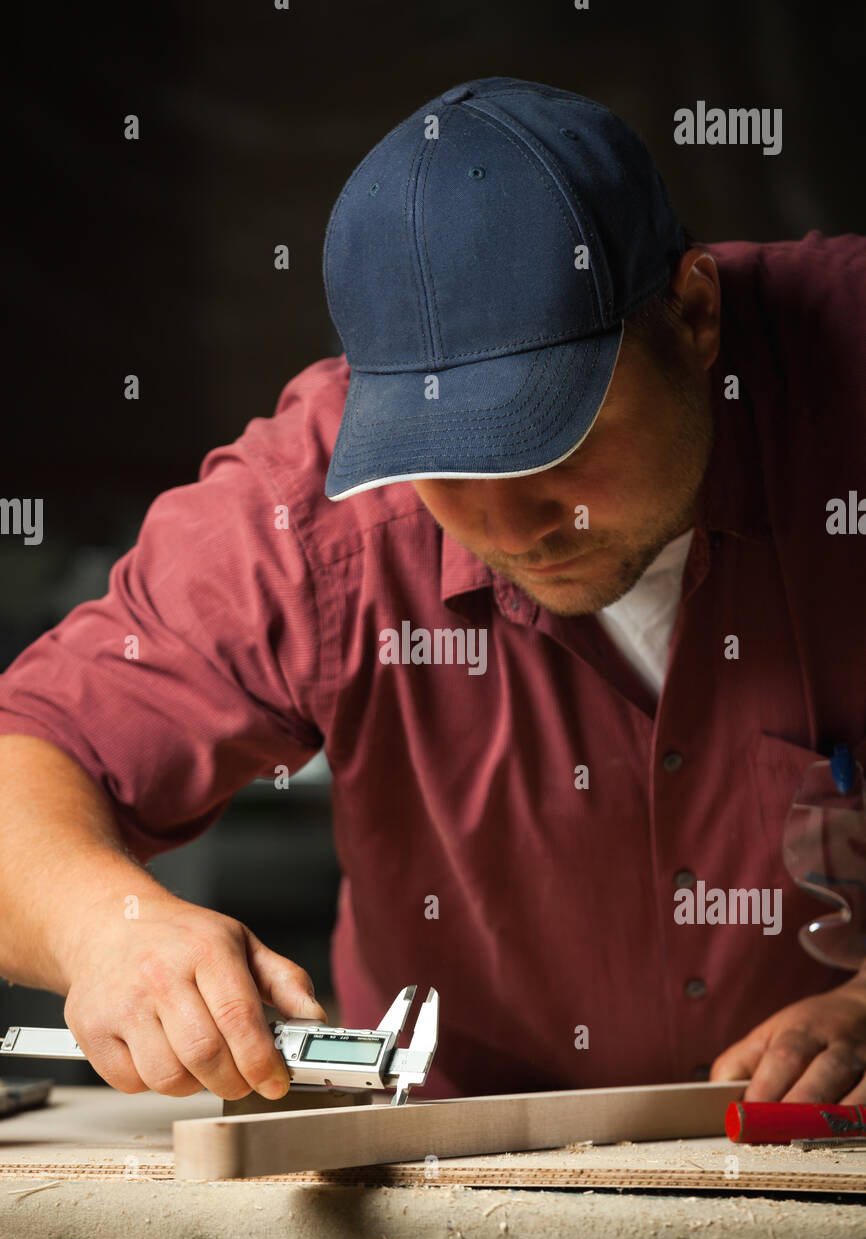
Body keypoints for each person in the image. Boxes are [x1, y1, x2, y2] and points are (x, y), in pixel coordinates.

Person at [0, 78, 864, 1106]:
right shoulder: (309, 509)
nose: (508, 529)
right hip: (456, 1186)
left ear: (692, 314)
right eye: (444, 466)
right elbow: (33, 757)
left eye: (555, 443)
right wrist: (109, 928)